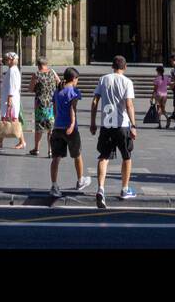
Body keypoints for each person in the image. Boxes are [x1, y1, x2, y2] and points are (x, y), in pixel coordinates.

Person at [91, 55, 138, 208]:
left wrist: (92, 122)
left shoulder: (103, 79)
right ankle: (125, 189)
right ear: (125, 67)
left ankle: (101, 188)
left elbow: (94, 101)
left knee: (103, 157)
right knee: (126, 157)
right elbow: (129, 104)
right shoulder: (127, 82)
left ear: (112, 66)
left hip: (106, 124)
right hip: (122, 124)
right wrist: (134, 125)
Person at [49, 68, 91, 197]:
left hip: (57, 127)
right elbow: (73, 109)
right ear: (74, 79)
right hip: (70, 128)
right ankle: (80, 180)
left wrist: (57, 122)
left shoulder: (57, 91)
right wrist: (72, 124)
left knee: (56, 158)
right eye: (77, 79)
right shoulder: (74, 91)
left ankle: (54, 185)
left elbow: (55, 110)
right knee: (77, 155)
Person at [0, 50, 25, 150]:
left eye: (7, 59)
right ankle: (0, 141)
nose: (6, 60)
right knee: (6, 119)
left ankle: (22, 141)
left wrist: (10, 98)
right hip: (11, 97)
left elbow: (12, 85)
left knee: (14, 120)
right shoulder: (14, 70)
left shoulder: (12, 71)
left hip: (10, 98)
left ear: (11, 60)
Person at [29, 58, 59, 157]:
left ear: (38, 65)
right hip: (51, 104)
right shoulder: (52, 72)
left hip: (40, 105)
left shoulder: (36, 75)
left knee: (39, 127)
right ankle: (50, 150)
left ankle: (37, 148)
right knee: (50, 128)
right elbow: (59, 83)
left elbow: (30, 89)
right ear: (47, 64)